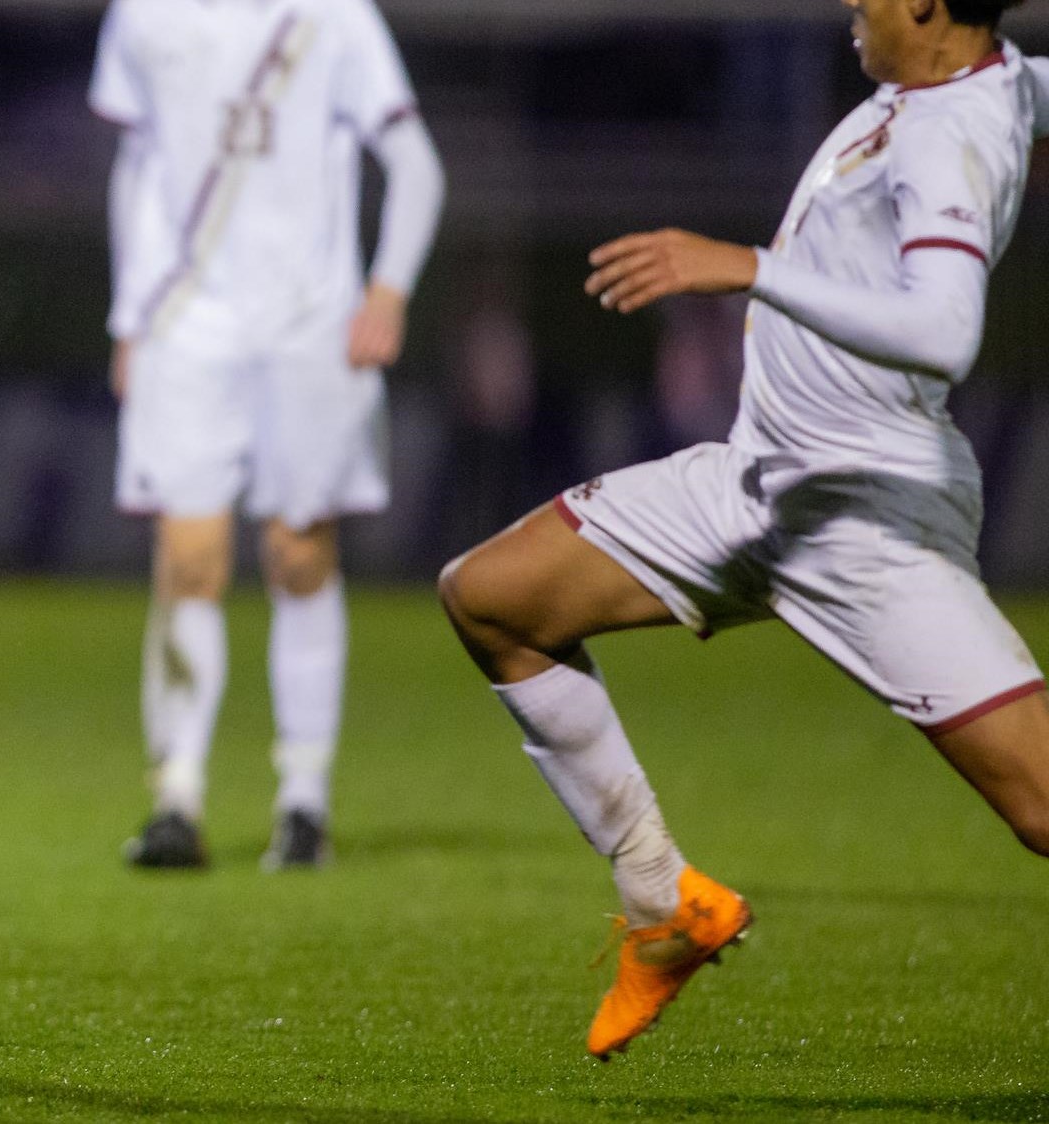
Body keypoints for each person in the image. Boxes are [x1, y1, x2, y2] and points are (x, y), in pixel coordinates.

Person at [439, 0, 1049, 1060]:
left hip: (862, 517)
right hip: (753, 483)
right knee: (490, 596)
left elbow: (944, 330)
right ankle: (661, 898)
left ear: (925, 6)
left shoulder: (945, 132)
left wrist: (745, 265)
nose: (846, 3)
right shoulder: (984, 81)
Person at [90, 0, 445, 869]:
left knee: (297, 552)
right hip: (185, 323)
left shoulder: (335, 15)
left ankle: (304, 803)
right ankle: (176, 799)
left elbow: (414, 163)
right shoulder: (143, 14)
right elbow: (136, 168)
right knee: (189, 558)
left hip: (310, 324)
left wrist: (388, 289)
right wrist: (130, 318)